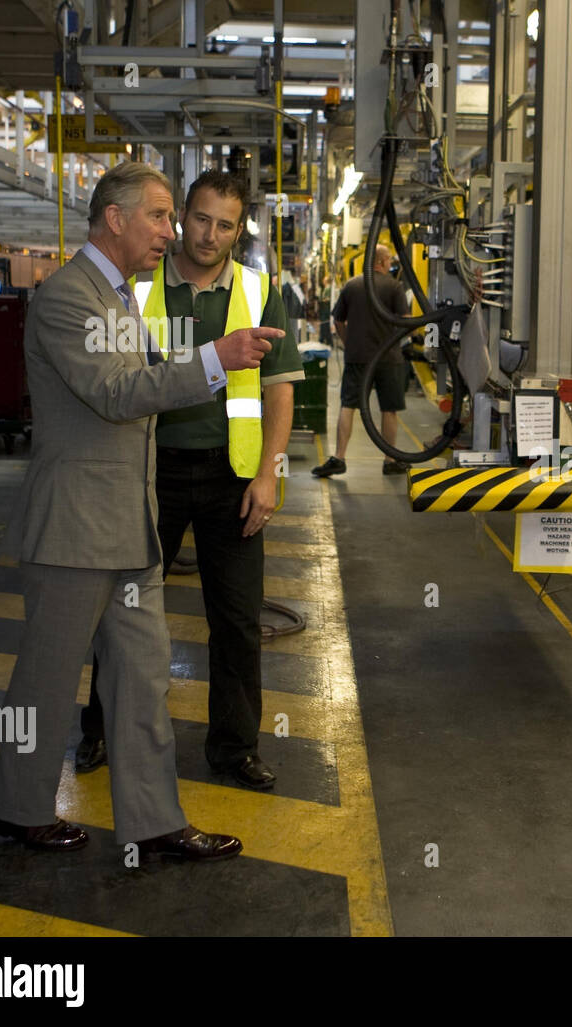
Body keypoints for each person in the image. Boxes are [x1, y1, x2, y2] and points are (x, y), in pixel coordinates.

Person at [0, 160, 279, 857]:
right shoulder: (66, 298)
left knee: (145, 681)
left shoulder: (121, 296)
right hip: (74, 529)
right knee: (48, 682)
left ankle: (152, 822)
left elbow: (143, 384)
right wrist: (216, 358)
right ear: (114, 218)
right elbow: (119, 392)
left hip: (128, 530)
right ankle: (17, 806)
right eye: (160, 215)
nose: (171, 230)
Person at [75, 170, 302, 791]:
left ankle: (234, 749)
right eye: (199, 218)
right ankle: (99, 729)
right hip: (150, 474)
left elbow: (281, 390)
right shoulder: (139, 284)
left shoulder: (258, 291)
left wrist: (268, 474)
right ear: (182, 218)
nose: (209, 234)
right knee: (120, 612)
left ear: (239, 228)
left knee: (236, 621)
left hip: (233, 477)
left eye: (225, 224)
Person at [311, 244, 412, 476]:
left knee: (348, 405)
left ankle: (339, 457)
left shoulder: (352, 285)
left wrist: (349, 343)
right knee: (389, 409)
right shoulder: (394, 286)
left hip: (358, 357)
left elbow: (337, 320)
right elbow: (407, 322)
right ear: (384, 261)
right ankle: (389, 459)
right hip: (388, 358)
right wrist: (392, 343)